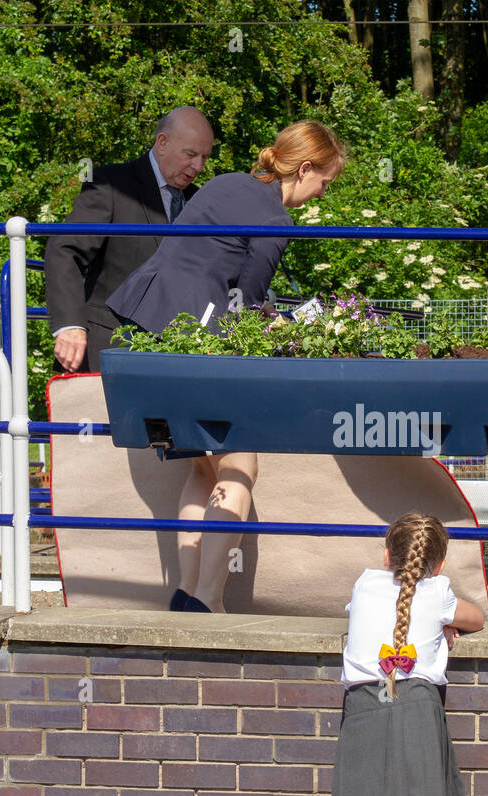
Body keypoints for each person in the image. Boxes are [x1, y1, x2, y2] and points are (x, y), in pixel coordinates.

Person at [107, 120, 344, 613]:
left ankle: (186, 591)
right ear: (303, 169)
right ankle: (209, 597)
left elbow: (200, 262)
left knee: (200, 466)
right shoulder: (275, 221)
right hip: (197, 341)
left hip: (149, 329)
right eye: (324, 181)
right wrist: (288, 329)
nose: (322, 193)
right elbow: (248, 305)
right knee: (239, 466)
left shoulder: (224, 183)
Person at [327, 513, 485, 796]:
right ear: (440, 564)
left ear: (387, 555)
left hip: (362, 712)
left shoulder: (364, 584)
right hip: (415, 709)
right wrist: (448, 622)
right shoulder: (439, 591)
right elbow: (477, 618)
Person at [44, 106, 215, 373]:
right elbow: (64, 249)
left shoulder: (200, 201)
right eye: (191, 155)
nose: (198, 166)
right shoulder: (110, 184)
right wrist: (70, 326)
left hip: (173, 358)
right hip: (107, 351)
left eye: (204, 157)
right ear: (162, 143)